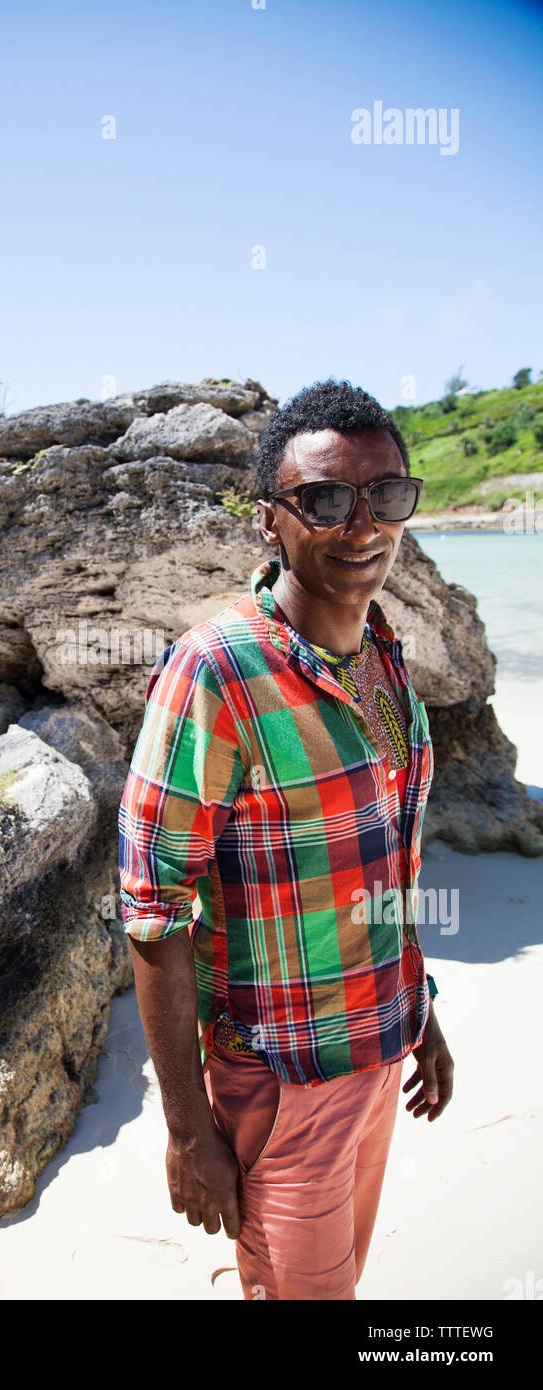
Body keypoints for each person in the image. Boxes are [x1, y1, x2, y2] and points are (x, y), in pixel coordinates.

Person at [118, 379, 454, 1301]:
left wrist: (419, 1012)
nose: (362, 525)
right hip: (284, 1081)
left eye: (386, 495)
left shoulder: (385, 660)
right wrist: (188, 1128)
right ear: (272, 520)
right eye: (326, 499)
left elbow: (382, 863)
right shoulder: (217, 671)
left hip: (380, 1050)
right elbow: (154, 912)